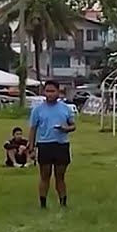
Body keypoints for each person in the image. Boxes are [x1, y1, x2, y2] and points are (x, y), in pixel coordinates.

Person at [29, 80, 77, 208]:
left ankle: (63, 202)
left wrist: (65, 128)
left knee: (60, 176)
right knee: (45, 176)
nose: (49, 94)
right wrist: (31, 148)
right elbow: (33, 129)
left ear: (58, 92)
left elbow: (73, 126)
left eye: (52, 91)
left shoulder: (65, 108)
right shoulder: (37, 110)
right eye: (47, 91)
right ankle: (43, 204)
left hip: (61, 145)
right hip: (45, 145)